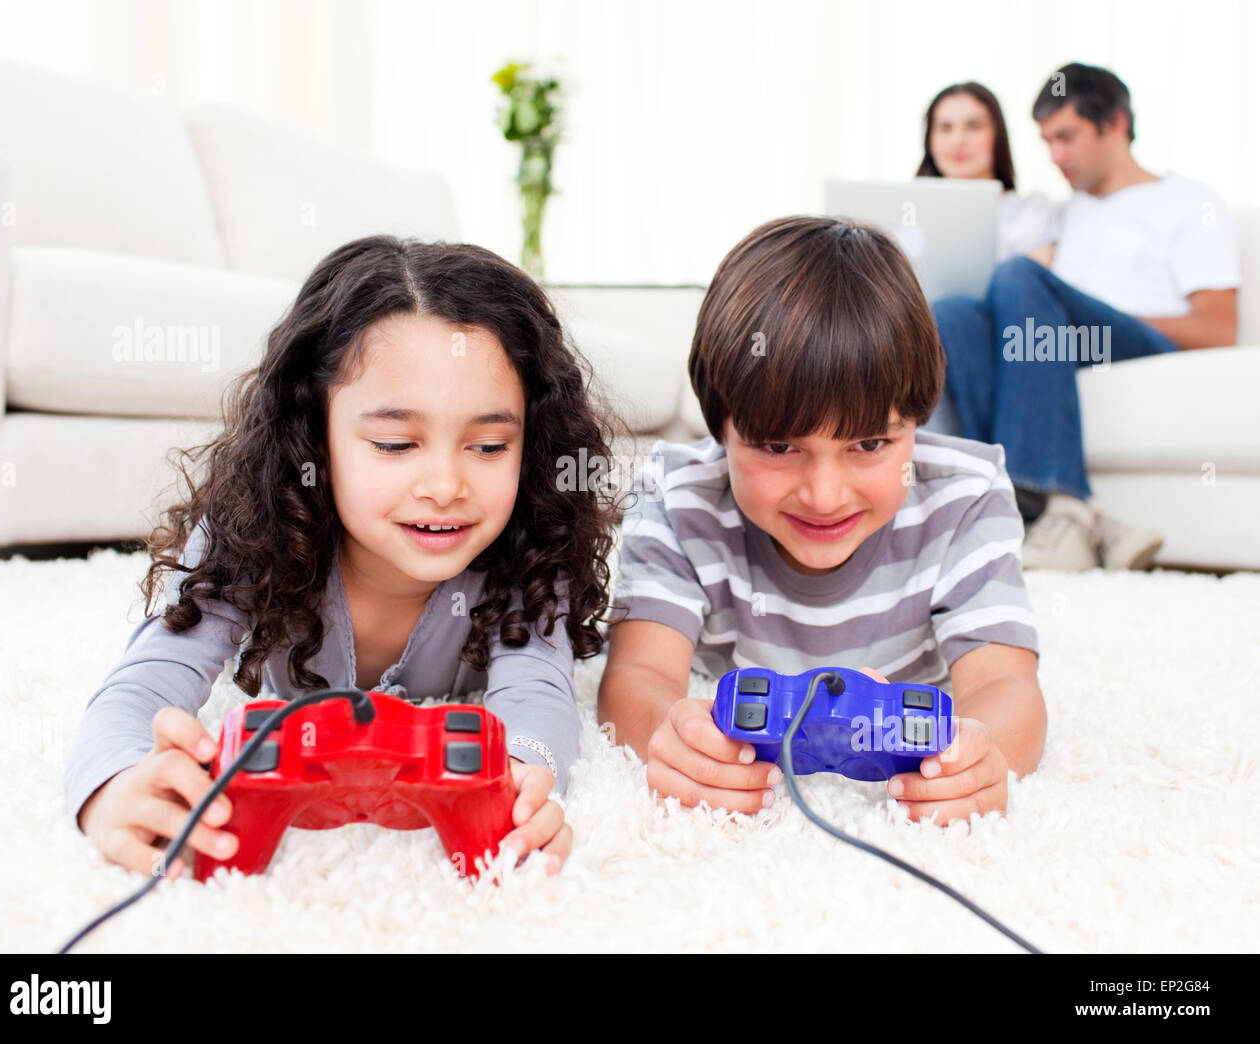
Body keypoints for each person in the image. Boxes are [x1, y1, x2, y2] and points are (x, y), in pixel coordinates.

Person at [66, 235, 625, 878]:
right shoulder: (257, 527)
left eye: (490, 446)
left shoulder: (529, 541)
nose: (445, 485)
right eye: (393, 444)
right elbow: (146, 681)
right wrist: (114, 786)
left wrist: (525, 771)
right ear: (314, 433)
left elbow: (537, 692)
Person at [598, 216, 1046, 826]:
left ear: (917, 423)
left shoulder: (965, 494)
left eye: (868, 445)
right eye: (779, 448)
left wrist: (980, 755)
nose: (825, 495)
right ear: (720, 428)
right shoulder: (678, 496)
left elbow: (1006, 685)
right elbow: (638, 674)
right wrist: (669, 737)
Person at [930, 63, 1240, 570]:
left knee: (1017, 276)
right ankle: (1051, 509)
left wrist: (1082, 314)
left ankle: (1053, 496)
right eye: (1047, 141)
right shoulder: (1064, 214)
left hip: (1136, 341)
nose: (1056, 157)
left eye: (1068, 137)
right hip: (1062, 348)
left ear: (1115, 124)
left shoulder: (1186, 201)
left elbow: (1217, 328)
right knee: (955, 314)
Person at [917, 80, 1058, 261]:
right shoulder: (908, 213)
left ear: (997, 136)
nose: (958, 140)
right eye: (945, 128)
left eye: (974, 126)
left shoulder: (1032, 212)